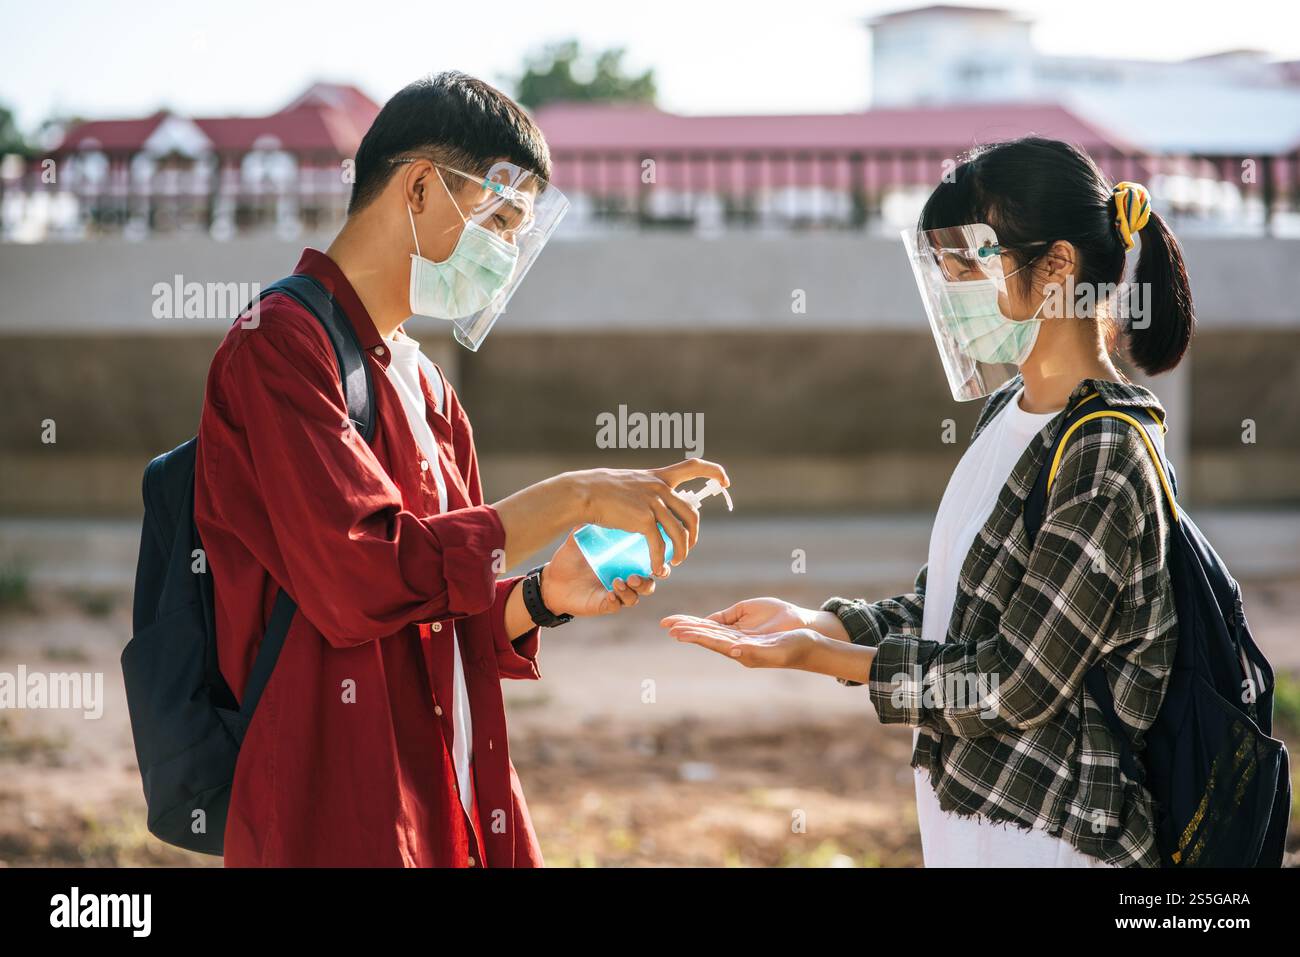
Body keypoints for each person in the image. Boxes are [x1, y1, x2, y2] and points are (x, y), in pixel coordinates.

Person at [195, 71, 727, 867]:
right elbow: (358, 580)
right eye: (500, 218)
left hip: (457, 800)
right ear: (417, 188)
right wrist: (572, 495)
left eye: (519, 230)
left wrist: (543, 597)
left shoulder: (431, 389)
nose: (506, 254)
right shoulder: (279, 342)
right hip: (336, 813)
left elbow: (433, 613)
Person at [664, 137, 1194, 868]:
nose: (950, 286)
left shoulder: (1107, 450)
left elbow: (1015, 681)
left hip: (1058, 840)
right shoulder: (1009, 407)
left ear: (1059, 267)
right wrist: (816, 619)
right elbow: (949, 605)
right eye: (942, 265)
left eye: (968, 261)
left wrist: (823, 658)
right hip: (971, 823)